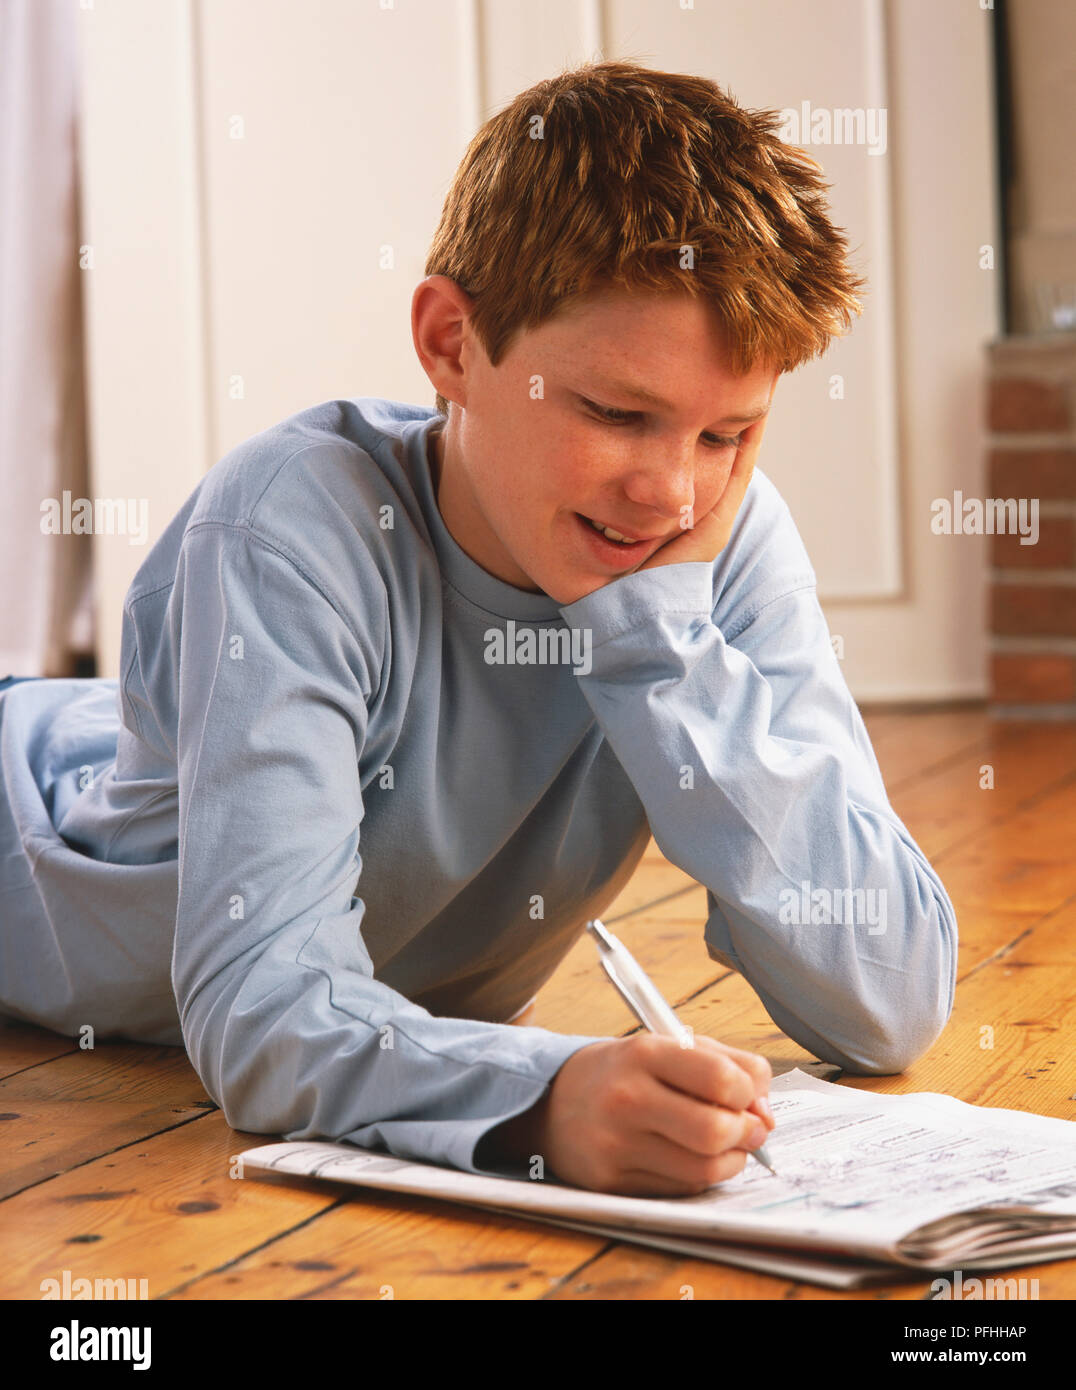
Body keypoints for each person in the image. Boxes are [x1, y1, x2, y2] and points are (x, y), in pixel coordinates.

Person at [0, 60, 956, 1197]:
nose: (672, 494)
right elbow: (261, 1008)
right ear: (451, 343)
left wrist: (657, 641)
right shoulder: (288, 527)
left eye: (727, 435)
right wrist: (542, 1100)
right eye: (615, 413)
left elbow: (888, 999)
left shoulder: (715, 544)